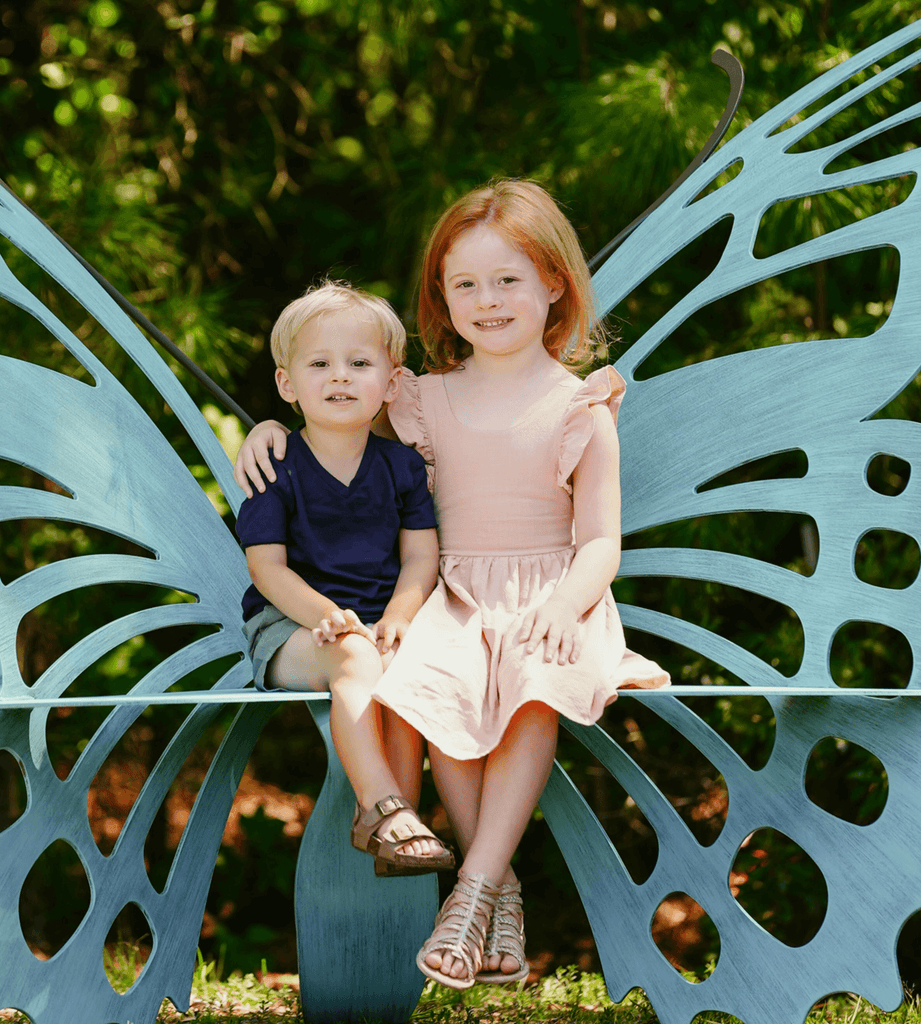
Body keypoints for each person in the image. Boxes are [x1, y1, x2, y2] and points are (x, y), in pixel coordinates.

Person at [234, 182, 669, 989]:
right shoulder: (420, 399)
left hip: (555, 595)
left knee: (535, 683)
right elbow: (336, 428)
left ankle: (471, 893)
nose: (486, 300)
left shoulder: (584, 404)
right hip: (451, 598)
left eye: (508, 279)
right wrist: (269, 429)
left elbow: (601, 540)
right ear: (440, 295)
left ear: (553, 283)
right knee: (429, 684)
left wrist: (564, 604)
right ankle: (497, 891)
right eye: (463, 283)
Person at [235, 281, 455, 877]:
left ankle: (397, 826)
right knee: (357, 658)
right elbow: (268, 569)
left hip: (377, 621)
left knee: (406, 661)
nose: (340, 377)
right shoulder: (274, 466)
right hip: (289, 630)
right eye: (320, 364)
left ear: (389, 382)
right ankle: (383, 810)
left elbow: (420, 560)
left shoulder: (402, 467)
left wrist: (401, 618)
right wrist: (326, 617)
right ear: (287, 384)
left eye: (359, 363)